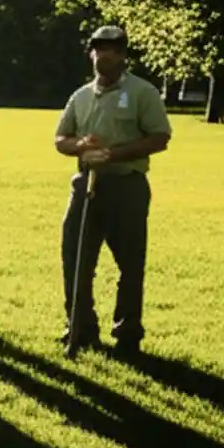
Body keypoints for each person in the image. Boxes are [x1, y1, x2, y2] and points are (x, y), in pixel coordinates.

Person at [54, 25, 172, 355]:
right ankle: (79, 328)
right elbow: (60, 139)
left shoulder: (142, 92)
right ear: (91, 53)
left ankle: (128, 334)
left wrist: (112, 154)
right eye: (99, 48)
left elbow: (159, 138)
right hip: (86, 186)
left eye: (113, 48)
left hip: (127, 186)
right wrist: (80, 146)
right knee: (76, 260)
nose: (105, 54)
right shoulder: (80, 96)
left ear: (123, 54)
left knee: (130, 264)